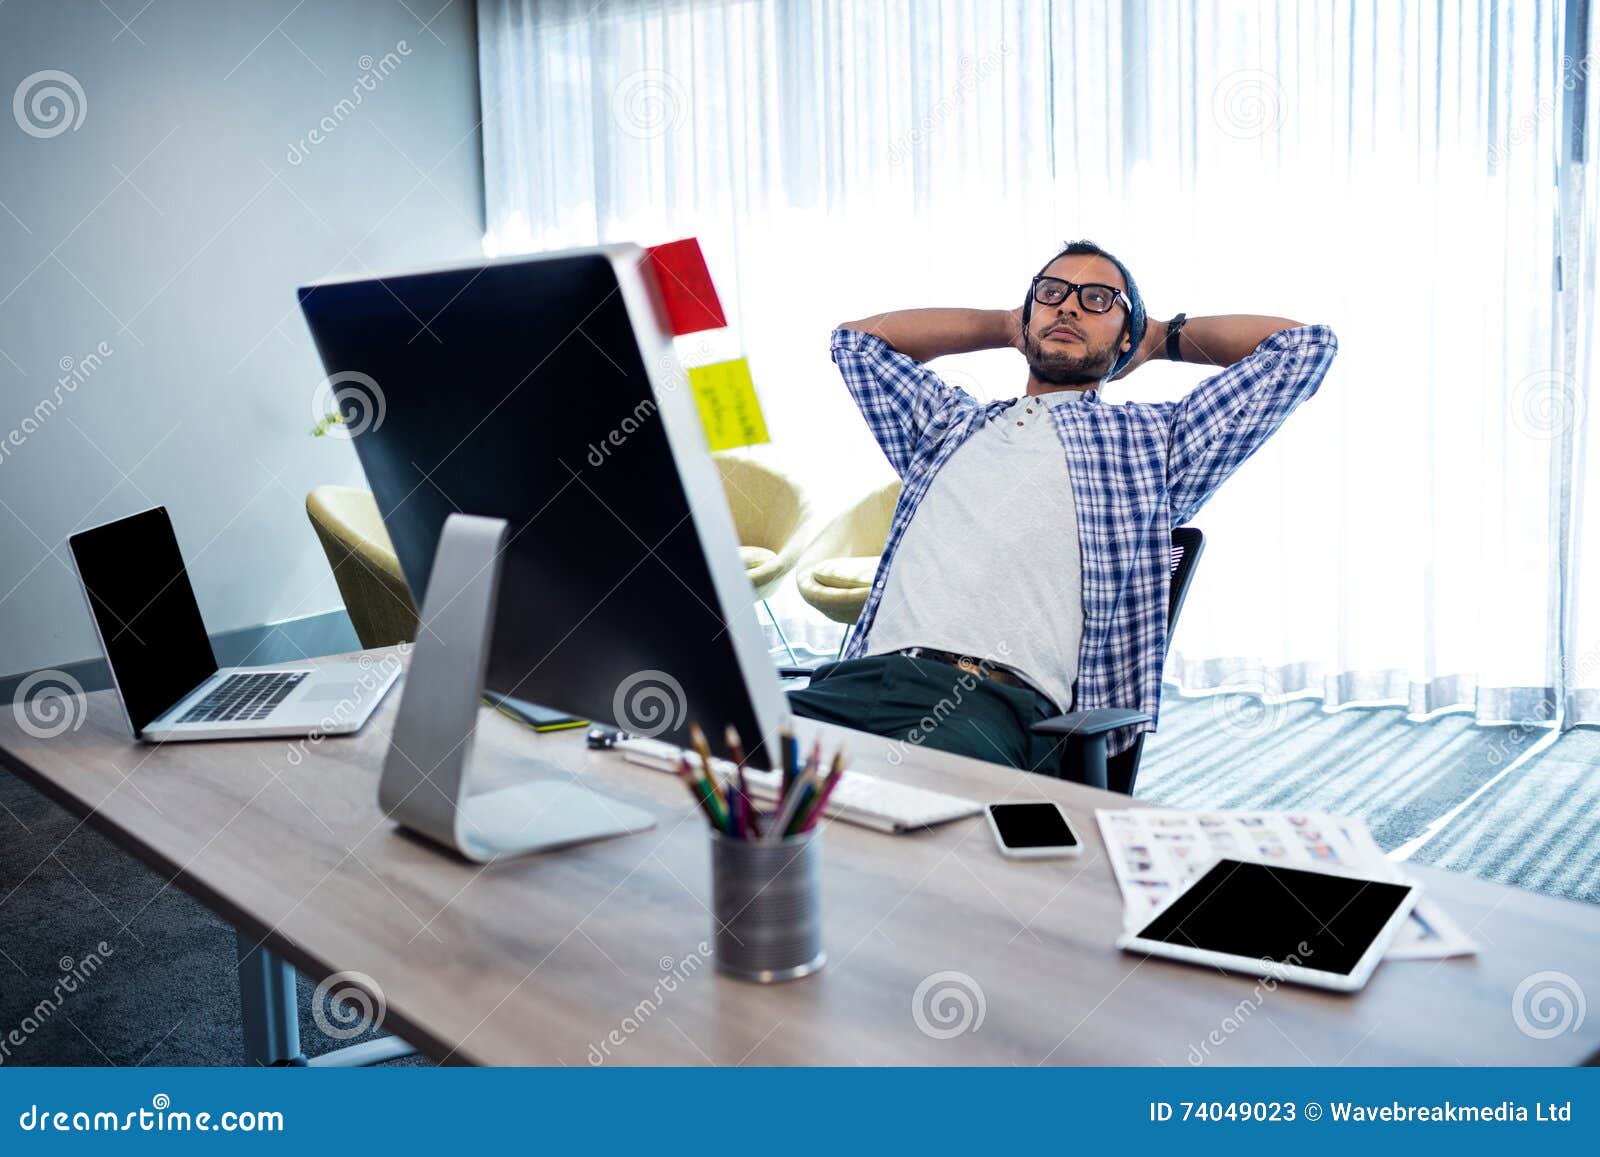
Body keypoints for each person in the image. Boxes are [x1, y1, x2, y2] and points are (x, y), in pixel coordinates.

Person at [787, 239, 1339, 782]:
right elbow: (857, 343)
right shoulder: (947, 426)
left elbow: (1304, 349)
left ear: (1127, 334)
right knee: (717, 767)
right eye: (1051, 293)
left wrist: (1157, 337)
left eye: (1099, 299)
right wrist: (1010, 324)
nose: (1069, 306)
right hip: (850, 682)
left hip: (983, 707)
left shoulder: (1152, 443)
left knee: (900, 832)